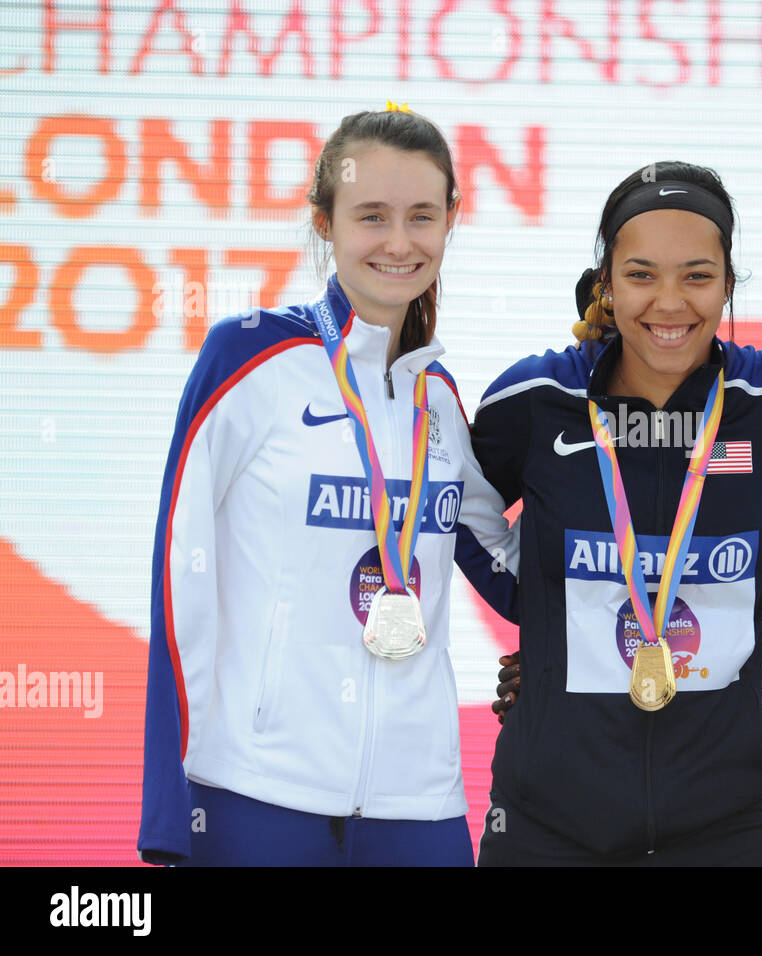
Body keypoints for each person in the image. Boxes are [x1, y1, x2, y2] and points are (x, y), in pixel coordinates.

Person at [137, 106, 517, 866]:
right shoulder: (247, 360)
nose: (399, 242)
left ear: (451, 222)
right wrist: (166, 808)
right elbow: (178, 577)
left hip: (420, 804)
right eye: (371, 216)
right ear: (324, 221)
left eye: (421, 217)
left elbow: (514, 574)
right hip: (257, 792)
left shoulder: (436, 399)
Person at [469, 161, 762, 865]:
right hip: (548, 823)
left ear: (729, 282)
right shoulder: (536, 398)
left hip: (728, 822)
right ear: (606, 283)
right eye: (641, 275)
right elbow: (451, 509)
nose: (670, 302)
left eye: (697, 275)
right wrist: (544, 630)